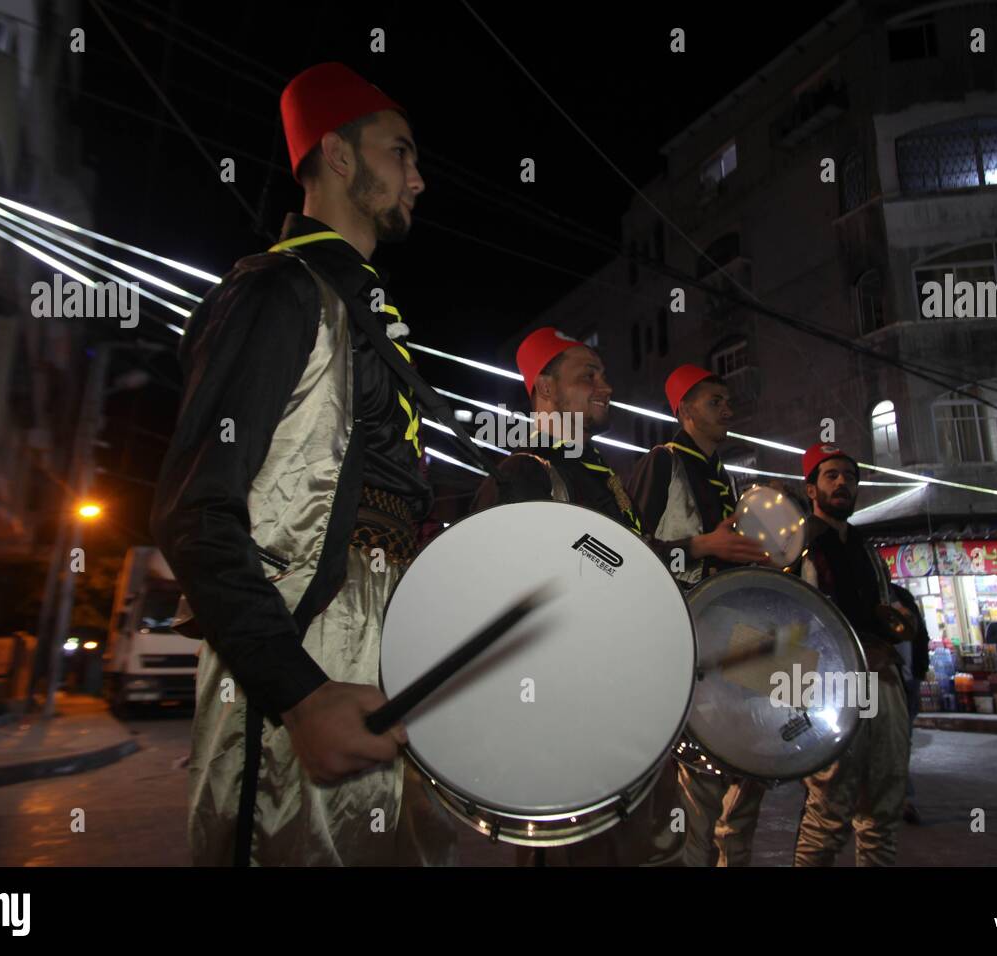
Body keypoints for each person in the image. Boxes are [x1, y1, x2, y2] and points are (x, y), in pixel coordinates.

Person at [150, 63, 455, 866]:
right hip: (305, 659)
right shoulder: (279, 292)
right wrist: (299, 691)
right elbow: (194, 511)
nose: (419, 178)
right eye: (402, 152)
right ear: (340, 156)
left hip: (386, 652)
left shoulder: (360, 307)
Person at [471, 329, 707, 865]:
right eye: (588, 376)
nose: (607, 386)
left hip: (635, 717)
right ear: (546, 392)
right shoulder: (522, 476)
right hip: (566, 729)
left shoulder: (605, 479)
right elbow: (486, 603)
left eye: (603, 375)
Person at [626, 365, 770, 866]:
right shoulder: (661, 463)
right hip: (676, 636)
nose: (727, 409)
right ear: (684, 412)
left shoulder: (724, 477)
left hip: (723, 636)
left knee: (745, 761)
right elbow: (626, 552)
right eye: (714, 401)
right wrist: (700, 546)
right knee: (689, 788)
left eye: (728, 401)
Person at [792, 443, 911, 867]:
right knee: (829, 812)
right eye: (831, 476)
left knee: (883, 807)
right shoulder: (797, 547)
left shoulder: (865, 546)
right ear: (812, 489)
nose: (843, 483)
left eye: (850, 476)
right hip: (833, 685)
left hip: (883, 680)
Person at [890, 583, 929, 824]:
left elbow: (919, 636)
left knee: (899, 740)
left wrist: (918, 672)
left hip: (905, 680)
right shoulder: (862, 597)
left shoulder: (901, 598)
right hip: (884, 679)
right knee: (894, 740)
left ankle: (900, 798)